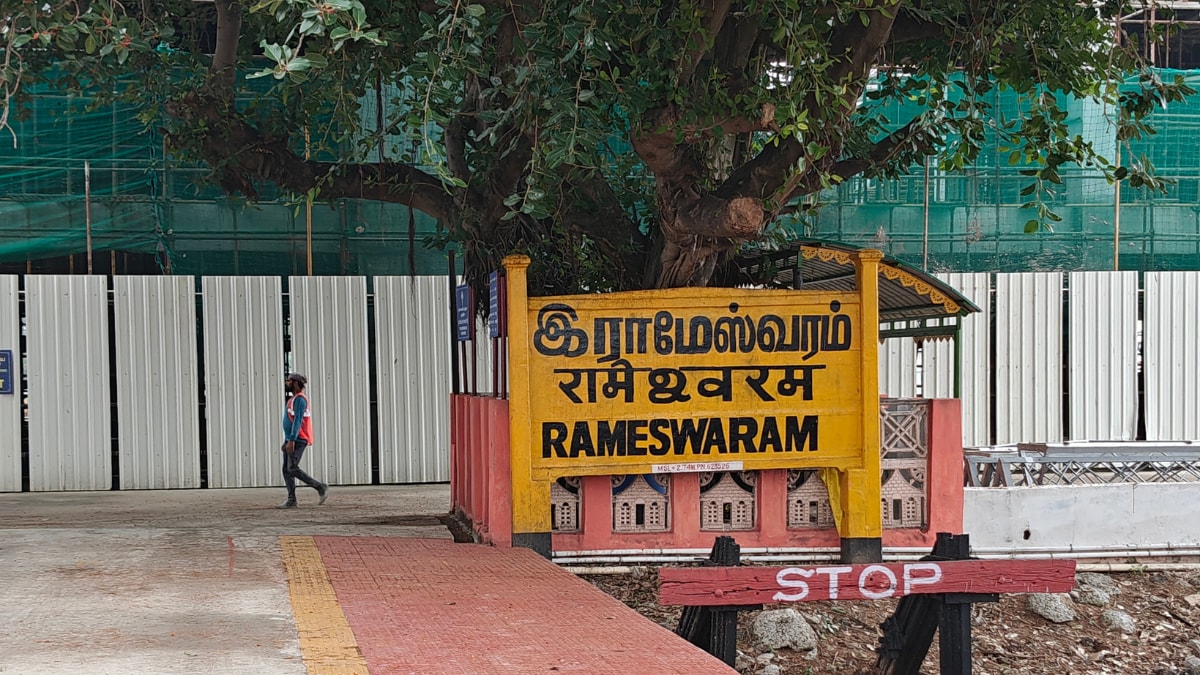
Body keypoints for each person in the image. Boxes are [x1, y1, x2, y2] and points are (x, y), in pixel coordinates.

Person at [277, 373, 329, 509]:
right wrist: (287, 439)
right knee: (286, 469)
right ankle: (291, 500)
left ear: (295, 383)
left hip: (299, 438)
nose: (286, 382)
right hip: (292, 438)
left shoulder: (300, 400)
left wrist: (292, 440)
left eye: (288, 381)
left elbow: (298, 421)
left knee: (292, 468)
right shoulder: (293, 399)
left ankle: (320, 487)